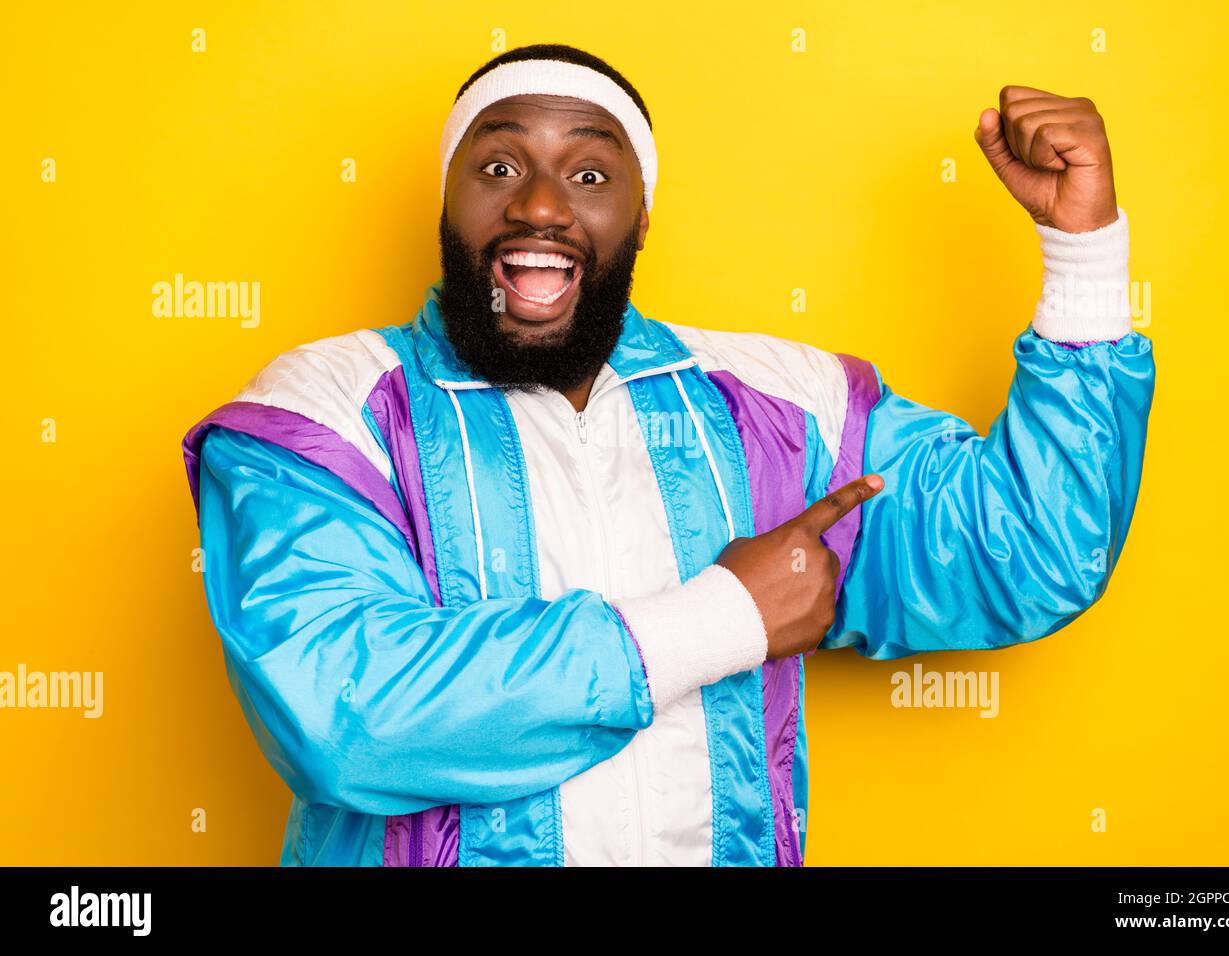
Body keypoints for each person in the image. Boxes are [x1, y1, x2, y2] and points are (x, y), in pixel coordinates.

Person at [180, 43, 1155, 866]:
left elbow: (1025, 554)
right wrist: (724, 616)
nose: (540, 206)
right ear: (448, 203)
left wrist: (1081, 257)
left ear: (642, 217)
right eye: (498, 166)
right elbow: (343, 717)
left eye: (592, 174)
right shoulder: (325, 407)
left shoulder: (787, 409)